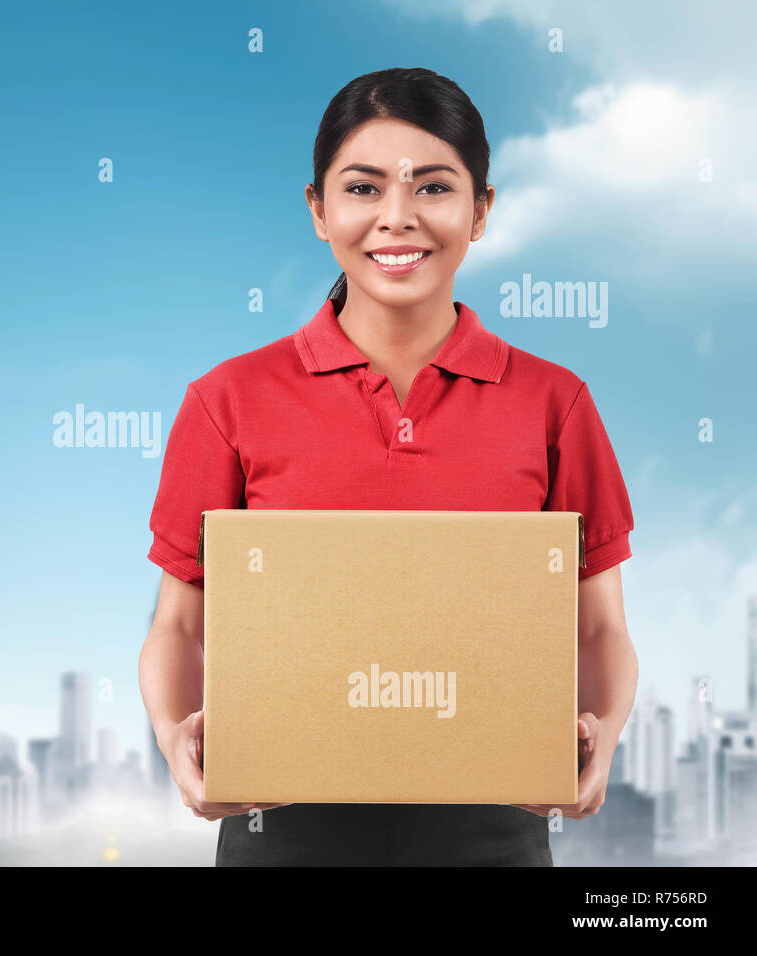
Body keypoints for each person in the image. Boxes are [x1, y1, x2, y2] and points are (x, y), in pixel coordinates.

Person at [138, 67, 637, 866]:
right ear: (318, 210)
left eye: (433, 188)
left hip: (496, 831)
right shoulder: (227, 400)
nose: (396, 219)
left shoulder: (556, 403)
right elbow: (180, 622)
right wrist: (174, 739)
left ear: (480, 211)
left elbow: (600, 625)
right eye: (363, 189)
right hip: (281, 830)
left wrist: (603, 733)